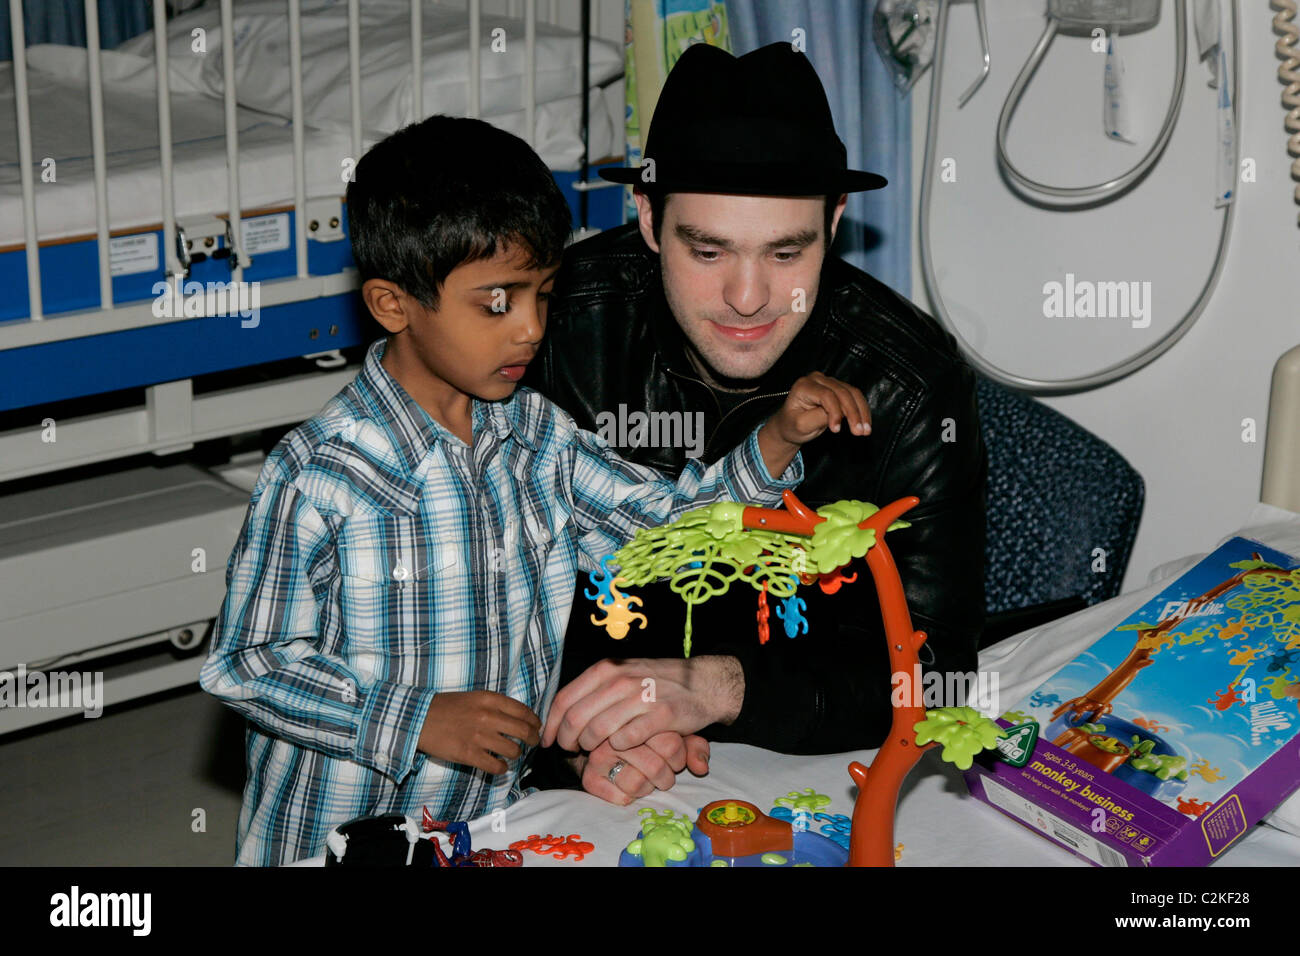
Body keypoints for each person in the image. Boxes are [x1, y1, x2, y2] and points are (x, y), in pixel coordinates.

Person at [199, 114, 872, 865]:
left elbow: (663, 533)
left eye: (544, 295)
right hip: (332, 840)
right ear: (394, 306)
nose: (530, 330)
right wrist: (415, 719)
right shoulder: (321, 472)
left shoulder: (538, 439)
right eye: (498, 301)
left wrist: (774, 442)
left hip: (487, 829)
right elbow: (248, 664)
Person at [522, 43, 987, 803]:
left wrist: (717, 687)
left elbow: (940, 675)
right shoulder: (547, 337)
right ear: (647, 216)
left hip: (818, 786)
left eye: (785, 252)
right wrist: (565, 746)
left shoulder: (911, 386)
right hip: (581, 783)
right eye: (708, 250)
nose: (748, 297)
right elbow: (461, 607)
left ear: (834, 222)